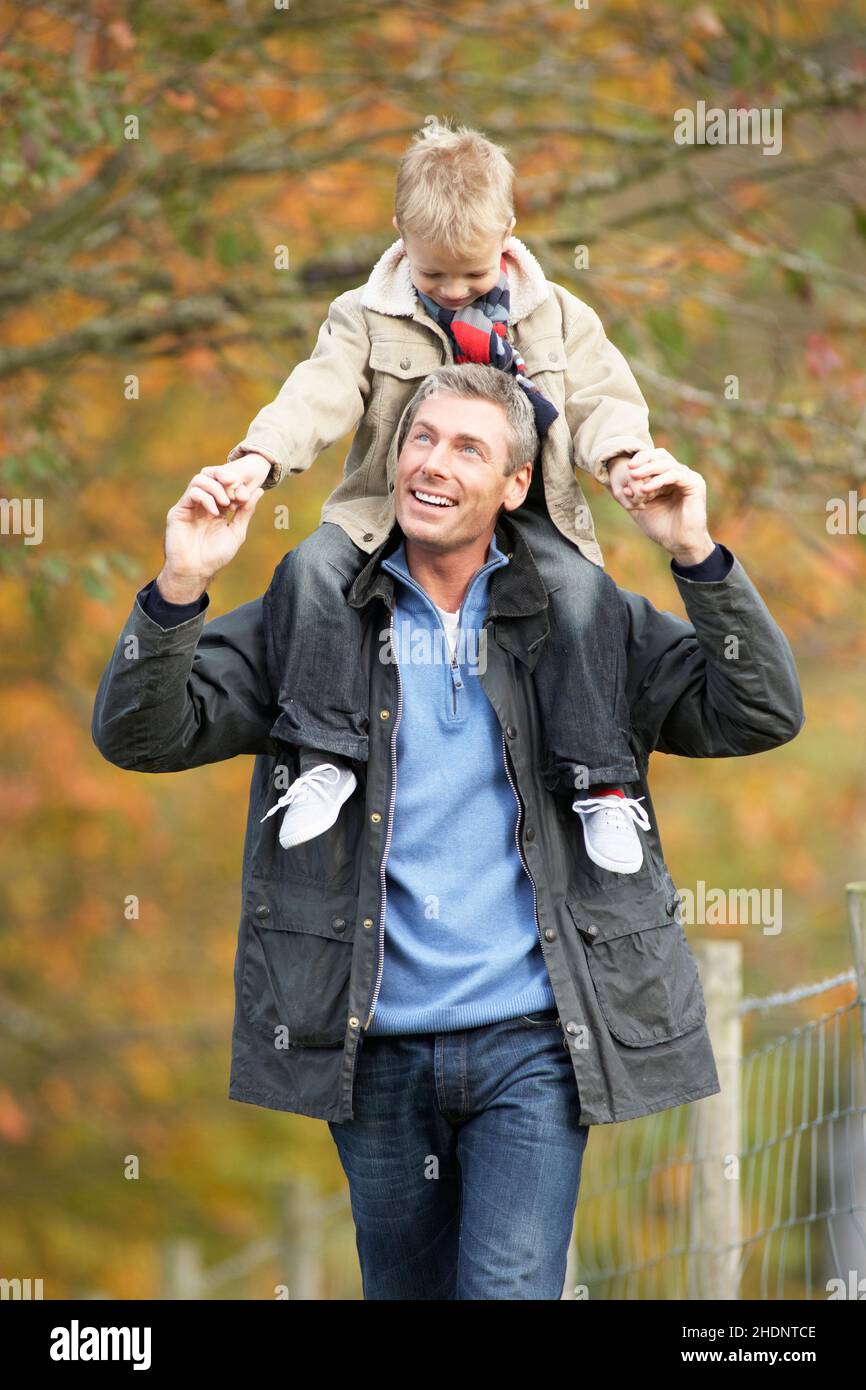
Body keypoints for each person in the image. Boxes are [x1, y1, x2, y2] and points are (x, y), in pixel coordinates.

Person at [92, 364, 805, 1300]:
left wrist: (696, 555)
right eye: (420, 439)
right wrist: (181, 580)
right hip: (372, 1044)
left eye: (469, 447)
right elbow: (142, 734)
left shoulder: (586, 622)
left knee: (507, 1289)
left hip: (535, 1044)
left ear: (515, 486)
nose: (433, 463)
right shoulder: (315, 619)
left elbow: (760, 711)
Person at [202, 117, 662, 872]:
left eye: (472, 279)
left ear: (509, 235)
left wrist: (624, 461)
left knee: (584, 597)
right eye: (433, 277)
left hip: (526, 511)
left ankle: (600, 784)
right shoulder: (366, 314)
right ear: (399, 237)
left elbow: (603, 400)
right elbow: (318, 392)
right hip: (392, 512)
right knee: (311, 572)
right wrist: (260, 457)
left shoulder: (555, 316)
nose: (452, 292)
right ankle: (327, 755)